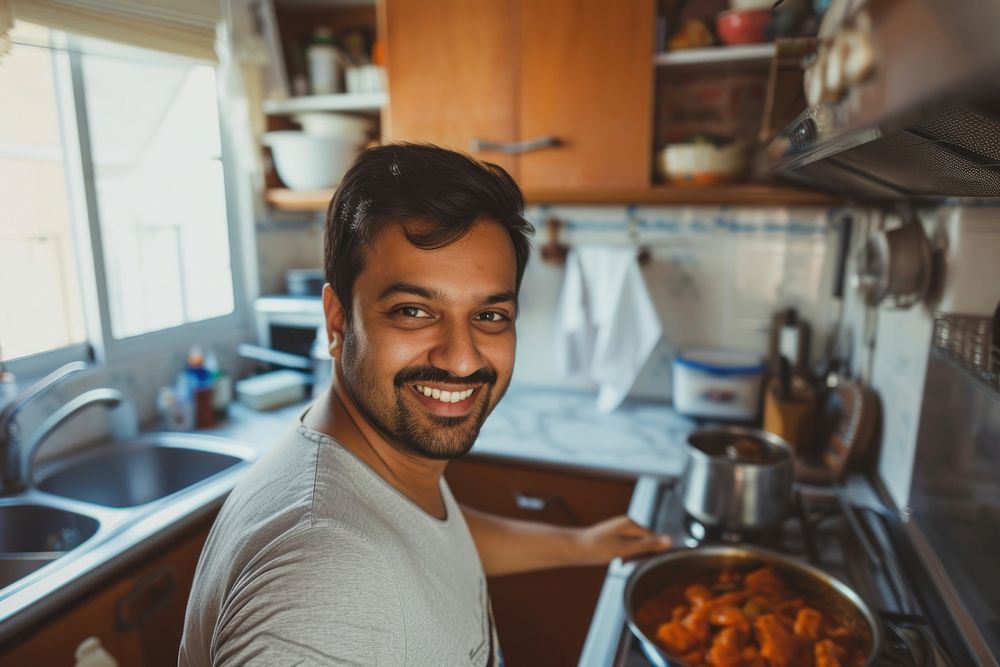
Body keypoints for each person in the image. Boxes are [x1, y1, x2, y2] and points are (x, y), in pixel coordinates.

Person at [179, 144, 672, 666]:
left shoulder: (369, 473)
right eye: (413, 311)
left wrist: (582, 545)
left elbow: (427, 539)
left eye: (489, 316)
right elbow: (347, 580)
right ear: (338, 321)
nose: (461, 360)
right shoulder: (325, 586)